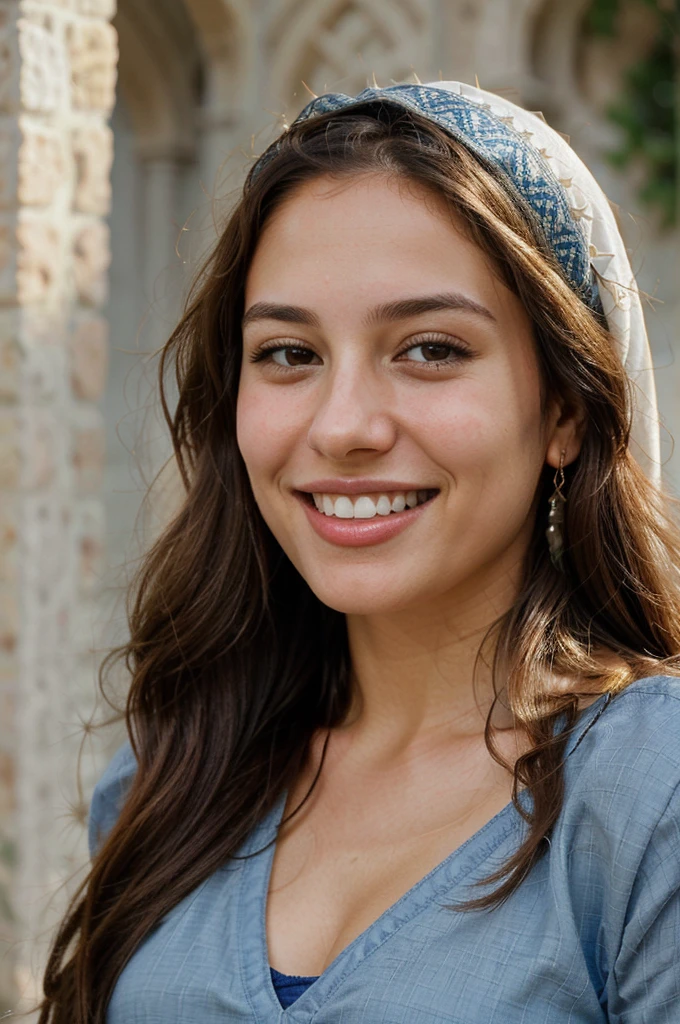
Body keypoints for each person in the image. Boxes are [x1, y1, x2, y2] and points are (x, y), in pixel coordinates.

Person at [39, 80, 680, 1023]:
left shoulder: (648, 791)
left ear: (566, 412)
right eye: (290, 355)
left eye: (428, 349)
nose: (342, 428)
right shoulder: (180, 767)